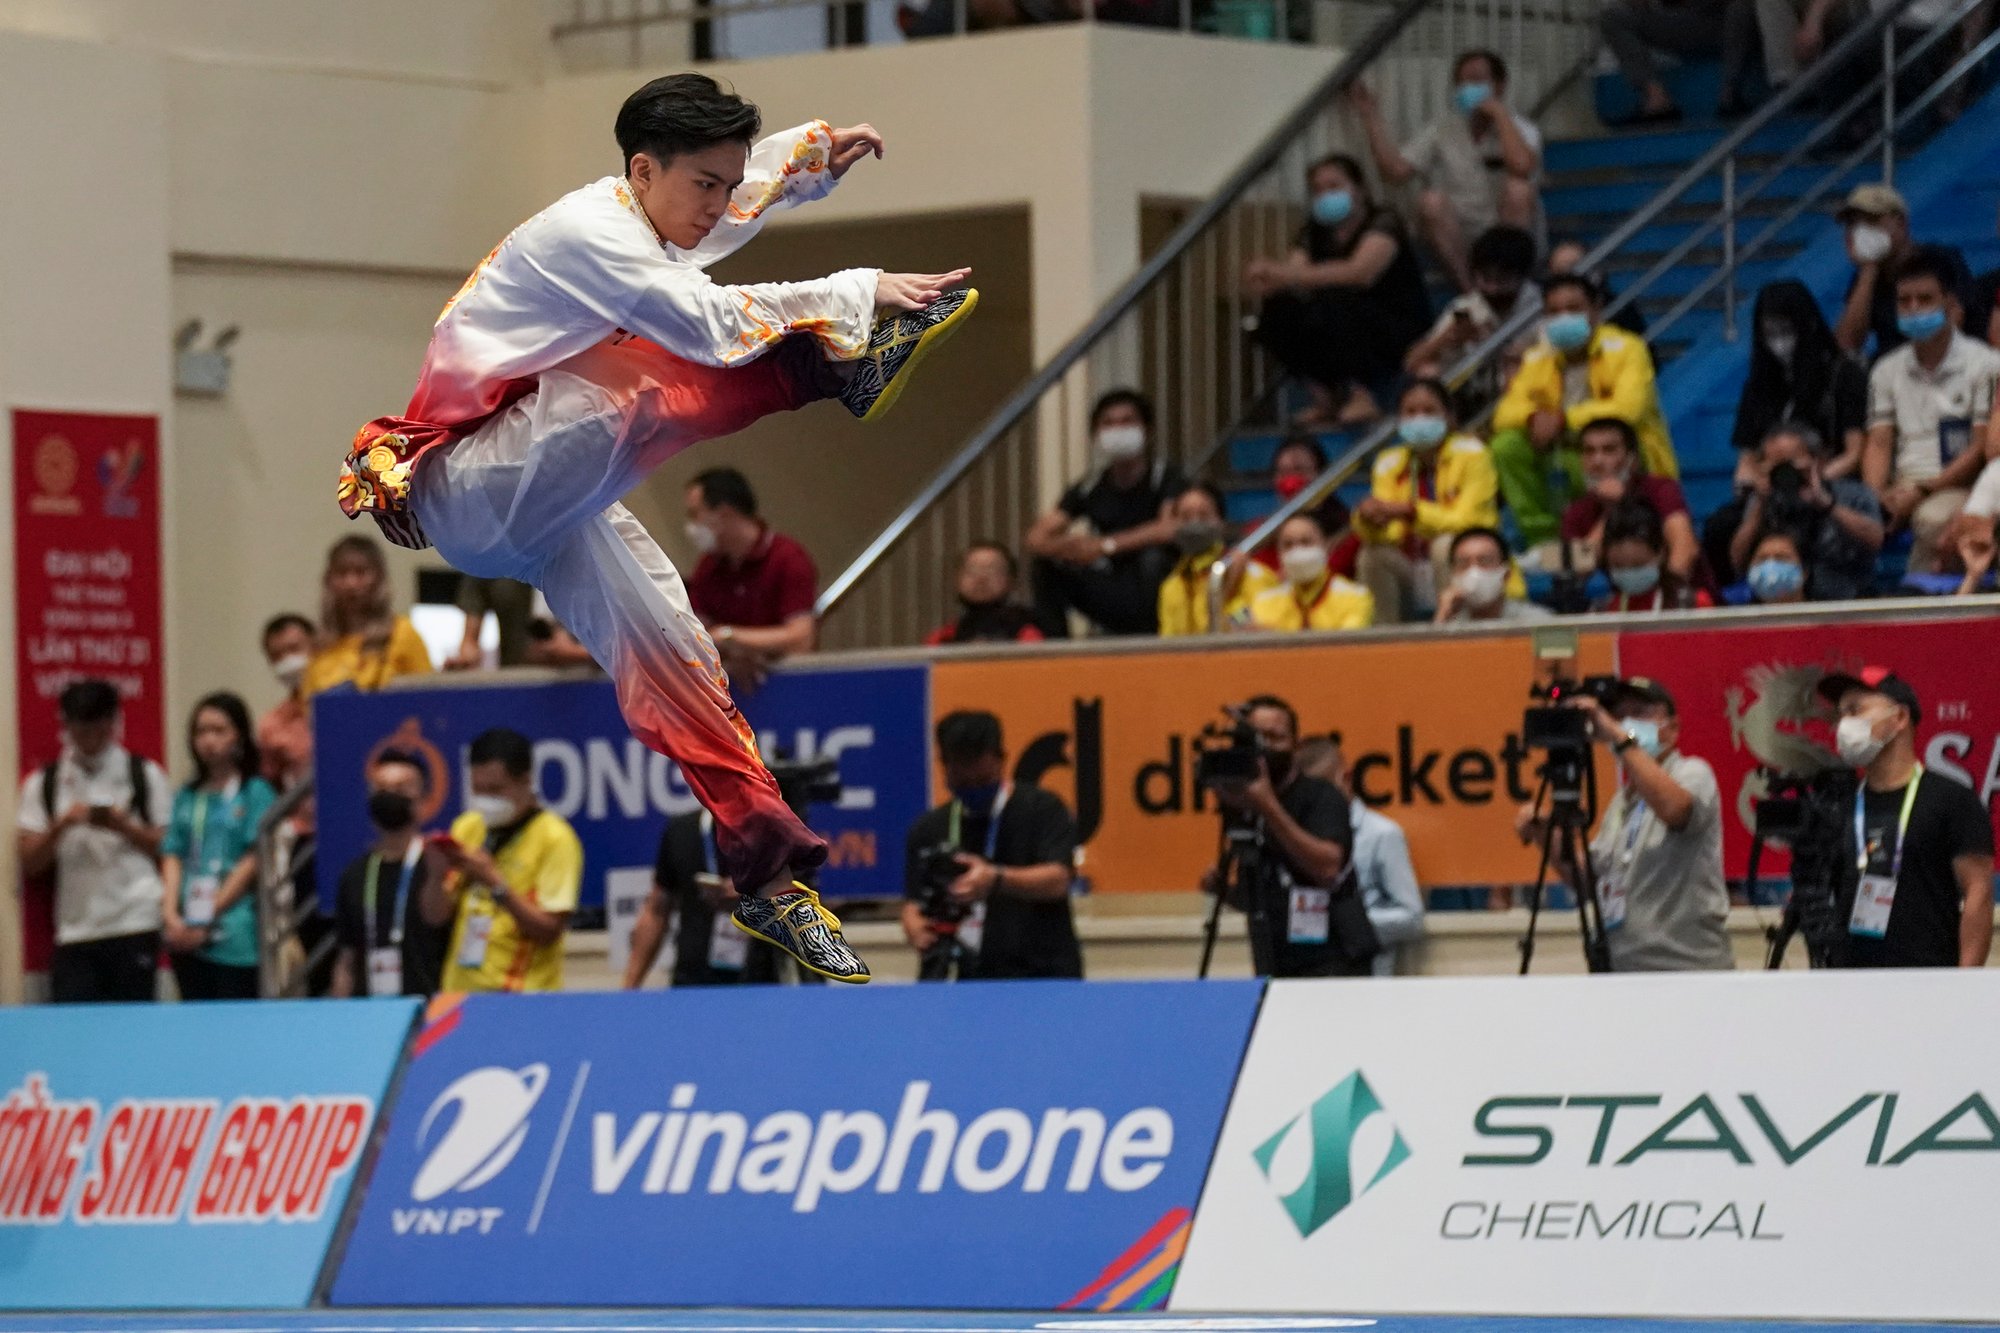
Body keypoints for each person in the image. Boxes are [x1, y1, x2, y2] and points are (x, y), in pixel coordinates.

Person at [339, 76, 974, 984]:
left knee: (678, 654)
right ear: (642, 171)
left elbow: (723, 207)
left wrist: (802, 159)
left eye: (727, 183)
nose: (717, 206)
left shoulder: (658, 208)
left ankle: (766, 870)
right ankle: (836, 373)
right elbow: (709, 328)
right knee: (638, 386)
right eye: (702, 185)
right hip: (468, 485)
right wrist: (858, 290)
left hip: (548, 506)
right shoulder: (589, 235)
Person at [1514, 678, 1734, 972]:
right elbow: (1587, 880)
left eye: (1640, 713)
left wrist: (1616, 735)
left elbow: (1675, 809)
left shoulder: (1692, 773)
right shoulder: (1622, 802)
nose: (1627, 722)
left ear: (1672, 727)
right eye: (1619, 715)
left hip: (1688, 969)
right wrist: (1546, 834)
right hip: (1625, 971)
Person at [1820, 667, 1993, 967]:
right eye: (1840, 714)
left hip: (1929, 979)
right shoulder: (1842, 809)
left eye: (1856, 710)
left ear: (1899, 718)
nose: (1844, 724)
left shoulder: (1951, 800)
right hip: (1851, 985)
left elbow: (1978, 891)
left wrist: (1966, 984)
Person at [1492, 274, 1677, 554]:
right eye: (1554, 312)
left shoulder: (1628, 348)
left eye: (1574, 309)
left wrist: (1563, 419)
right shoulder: (1538, 357)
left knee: (1608, 447)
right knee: (1506, 446)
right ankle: (1545, 542)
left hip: (1625, 458)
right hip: (1566, 455)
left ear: (1596, 310)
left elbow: (1628, 409)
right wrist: (1532, 417)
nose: (1563, 318)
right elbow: (1504, 413)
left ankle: (1630, 530)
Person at [1243, 153, 1431, 425]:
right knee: (1279, 308)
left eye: (1334, 186)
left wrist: (1287, 274)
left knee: (1337, 294)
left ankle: (1363, 394)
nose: (1325, 195)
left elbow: (1360, 273)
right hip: (1340, 319)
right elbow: (1294, 273)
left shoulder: (1384, 221)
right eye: (1318, 190)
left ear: (1360, 189)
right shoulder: (1316, 230)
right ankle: (1324, 397)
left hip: (1394, 323)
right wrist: (1267, 277)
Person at [15, 679, 171, 1003]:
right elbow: (30, 862)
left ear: (113, 722)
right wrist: (62, 824)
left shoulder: (144, 774)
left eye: (100, 729)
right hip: (75, 929)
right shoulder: (45, 783)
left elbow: (168, 848)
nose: (90, 739)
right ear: (67, 725)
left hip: (134, 921)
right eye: (80, 730)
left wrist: (124, 826)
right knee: (74, 1033)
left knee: (133, 1028)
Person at [900, 711, 1082, 981]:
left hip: (1039, 974)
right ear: (944, 767)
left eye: (983, 781)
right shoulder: (928, 829)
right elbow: (913, 902)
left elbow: (1058, 879)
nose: (973, 789)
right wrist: (913, 924)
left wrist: (996, 879)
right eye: (963, 783)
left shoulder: (1042, 809)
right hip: (960, 976)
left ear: (1000, 760)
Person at [1349, 54, 1543, 293]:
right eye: (1461, 82)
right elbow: (1395, 172)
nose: (1468, 88)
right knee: (1429, 201)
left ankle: (1505, 281)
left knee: (1519, 190)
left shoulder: (1523, 128)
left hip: (1505, 229)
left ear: (1499, 85)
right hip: (1459, 230)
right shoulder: (1444, 128)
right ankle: (1472, 293)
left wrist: (1499, 114)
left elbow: (1522, 167)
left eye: (1476, 80)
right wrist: (1370, 115)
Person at [1199, 695, 1362, 977]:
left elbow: (1327, 869)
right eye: (1257, 738)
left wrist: (1267, 806)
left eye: (1275, 738)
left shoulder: (1321, 796)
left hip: (1333, 962)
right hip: (1273, 960)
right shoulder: (1243, 804)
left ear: (1296, 747)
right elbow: (1267, 893)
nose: (1264, 748)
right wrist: (1225, 890)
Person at [1863, 248, 2000, 573]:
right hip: (1902, 484)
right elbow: (1879, 443)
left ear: (1951, 305)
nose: (1913, 309)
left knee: (1932, 518)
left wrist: (1923, 490)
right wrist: (1876, 497)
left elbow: (1981, 449)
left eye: (1924, 300)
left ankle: (1915, 602)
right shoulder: (1885, 370)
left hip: (1955, 484)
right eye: (1904, 301)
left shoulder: (1986, 365)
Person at [422, 728, 583, 993]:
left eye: (496, 790)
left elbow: (549, 931)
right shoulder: (468, 826)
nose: (486, 800)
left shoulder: (555, 838)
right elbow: (435, 917)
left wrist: (495, 883)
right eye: (478, 790)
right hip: (459, 995)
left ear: (526, 781)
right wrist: (435, 876)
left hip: (521, 998)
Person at [1024, 389, 1186, 636]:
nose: (1118, 430)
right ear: (1096, 436)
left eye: (1127, 421)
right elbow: (1036, 537)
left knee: (1153, 559)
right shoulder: (1090, 485)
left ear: (1147, 430)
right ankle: (1054, 650)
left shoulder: (1165, 476)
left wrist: (1104, 545)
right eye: (1108, 423)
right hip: (1112, 583)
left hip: (1158, 582)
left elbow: (1168, 528)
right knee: (1046, 566)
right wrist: (1068, 547)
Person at [1352, 379, 1499, 622]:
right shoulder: (1389, 462)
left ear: (1450, 417)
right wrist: (1368, 520)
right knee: (1372, 556)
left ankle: (1454, 632)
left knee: (1445, 545)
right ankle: (1384, 643)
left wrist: (1411, 511)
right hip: (1412, 568)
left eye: (1429, 411)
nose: (1419, 419)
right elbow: (1388, 535)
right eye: (1410, 412)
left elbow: (1471, 522)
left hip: (1466, 571)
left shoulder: (1473, 454)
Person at [159, 693, 276, 1001]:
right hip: (186, 928)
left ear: (238, 735)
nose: (208, 740)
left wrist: (210, 913)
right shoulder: (188, 794)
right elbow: (173, 852)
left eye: (218, 730)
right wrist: (171, 913)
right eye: (201, 731)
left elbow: (253, 860)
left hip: (233, 928)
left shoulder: (255, 791)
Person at [1295, 736, 1424, 975]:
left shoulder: (1381, 834)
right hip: (1308, 976)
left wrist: (1347, 923)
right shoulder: (1295, 838)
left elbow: (1412, 917)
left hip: (1368, 981)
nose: (1315, 801)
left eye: (1323, 790)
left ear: (1346, 779)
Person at [331, 750, 451, 998]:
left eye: (401, 788)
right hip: (371, 1012)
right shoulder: (354, 874)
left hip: (429, 1006)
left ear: (423, 800)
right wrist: (338, 1015)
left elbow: (441, 921)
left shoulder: (437, 863)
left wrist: (437, 878)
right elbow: (347, 959)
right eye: (381, 788)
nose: (390, 797)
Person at [684, 466, 818, 684]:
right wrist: (731, 655)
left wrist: (729, 637)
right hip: (729, 692)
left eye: (695, 514)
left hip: (789, 689)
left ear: (724, 513)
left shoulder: (788, 558)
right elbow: (692, 636)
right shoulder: (708, 567)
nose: (691, 526)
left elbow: (801, 638)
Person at [626, 809, 784, 987]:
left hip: (763, 983)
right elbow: (656, 911)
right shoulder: (682, 831)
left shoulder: (778, 832)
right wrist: (629, 987)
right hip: (693, 982)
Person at [1726, 423, 1884, 599]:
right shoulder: (1762, 501)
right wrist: (1759, 506)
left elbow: (1875, 540)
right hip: (1781, 599)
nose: (1785, 473)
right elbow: (1737, 561)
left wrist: (1828, 505)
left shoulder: (1852, 495)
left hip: (1845, 599)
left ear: (1818, 461)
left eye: (1790, 464)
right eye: (1776, 466)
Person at [1731, 280, 1867, 482]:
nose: (1779, 342)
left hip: (1831, 484)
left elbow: (1854, 455)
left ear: (1808, 325)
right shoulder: (1757, 386)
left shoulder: (1844, 375)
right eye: (1770, 333)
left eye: (1786, 330)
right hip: (1772, 491)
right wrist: (1755, 482)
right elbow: (1745, 463)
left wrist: (1816, 483)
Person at [1403, 225, 1544, 401]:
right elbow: (1410, 363)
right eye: (1486, 278)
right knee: (1427, 371)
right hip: (1472, 395)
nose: (1492, 289)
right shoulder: (1466, 307)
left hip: (1529, 388)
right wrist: (1446, 338)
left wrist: (1510, 351)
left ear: (1523, 275)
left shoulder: (1541, 305)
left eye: (1502, 280)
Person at [1560, 417, 1699, 583]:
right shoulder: (1577, 510)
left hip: (1684, 597)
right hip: (1624, 602)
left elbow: (1685, 549)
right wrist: (1612, 510)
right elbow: (1577, 570)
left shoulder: (1662, 489)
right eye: (1589, 451)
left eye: (1609, 450)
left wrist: (1668, 597)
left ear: (1632, 459)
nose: (1597, 461)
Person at [1835, 188, 1971, 358]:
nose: (1861, 231)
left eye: (1871, 221)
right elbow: (1846, 344)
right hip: (1890, 369)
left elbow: (1957, 320)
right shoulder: (1867, 276)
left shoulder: (1941, 260)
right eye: (1853, 225)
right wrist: (1868, 271)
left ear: (1901, 223)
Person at [299, 535, 435, 698]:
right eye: (342, 573)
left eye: (361, 572)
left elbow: (428, 698)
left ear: (379, 577)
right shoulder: (320, 645)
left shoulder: (402, 633)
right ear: (328, 579)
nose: (351, 583)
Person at [1598, 0, 1760, 125]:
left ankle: (1731, 95)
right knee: (1613, 17)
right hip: (1685, 19)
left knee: (1741, 8)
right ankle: (1656, 99)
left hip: (1728, 20)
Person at [1157, 484, 1276, 636]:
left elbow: (1273, 638)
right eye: (1186, 517)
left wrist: (1227, 593)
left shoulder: (1253, 575)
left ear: (1221, 522)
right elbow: (1166, 650)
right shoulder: (1171, 587)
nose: (1195, 523)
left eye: (1204, 515)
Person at [1243, 512, 1376, 631]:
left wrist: (1277, 637)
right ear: (1279, 554)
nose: (1297, 551)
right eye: (1288, 545)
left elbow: (1345, 646)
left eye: (1306, 542)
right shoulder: (1265, 601)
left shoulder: (1355, 597)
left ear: (1324, 547)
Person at [1592, 501, 1711, 612]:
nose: (1628, 573)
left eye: (1638, 565)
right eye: (1618, 566)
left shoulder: (1692, 603)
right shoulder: (1605, 609)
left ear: (1660, 553)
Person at [926, 541, 1044, 645]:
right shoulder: (942, 638)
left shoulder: (1028, 633)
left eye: (992, 570)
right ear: (957, 579)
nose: (981, 578)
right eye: (972, 570)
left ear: (1011, 580)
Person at [1434, 526, 1553, 622]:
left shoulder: (1538, 623)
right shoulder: (1449, 623)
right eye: (1463, 563)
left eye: (1484, 561)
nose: (1474, 572)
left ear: (1506, 575)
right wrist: (1442, 617)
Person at [256, 613, 318, 796]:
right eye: (276, 656)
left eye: (294, 649)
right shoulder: (272, 724)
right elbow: (270, 786)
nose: (287, 661)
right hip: (302, 820)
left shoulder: (346, 703)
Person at [446, 576, 536, 670]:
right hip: (517, 674)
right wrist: (465, 660)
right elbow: (470, 640)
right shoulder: (484, 566)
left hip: (546, 670)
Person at [1741, 528, 1811, 604]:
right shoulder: (1735, 614)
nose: (1770, 565)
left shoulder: (1822, 613)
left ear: (1804, 571)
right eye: (1762, 559)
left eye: (1781, 558)